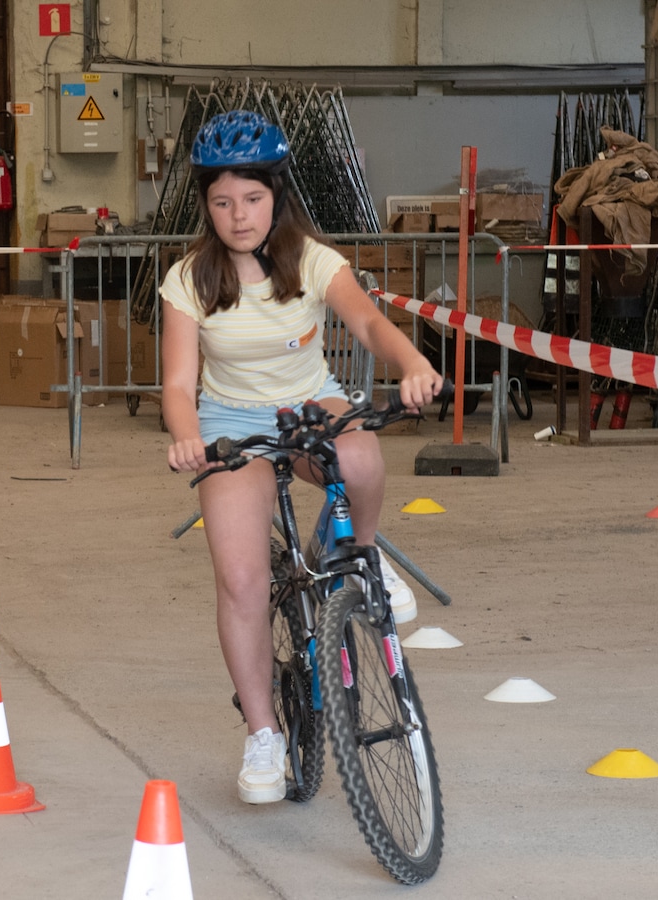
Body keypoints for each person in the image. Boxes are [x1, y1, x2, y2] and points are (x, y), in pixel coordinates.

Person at [160, 110, 445, 804]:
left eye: (252, 199)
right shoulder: (188, 280)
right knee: (241, 581)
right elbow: (176, 383)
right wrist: (186, 433)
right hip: (231, 421)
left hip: (307, 401)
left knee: (363, 457)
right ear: (206, 204)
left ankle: (363, 554)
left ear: (276, 197)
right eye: (222, 202)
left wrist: (412, 362)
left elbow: (371, 323)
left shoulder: (315, 259)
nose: (239, 216)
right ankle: (263, 734)